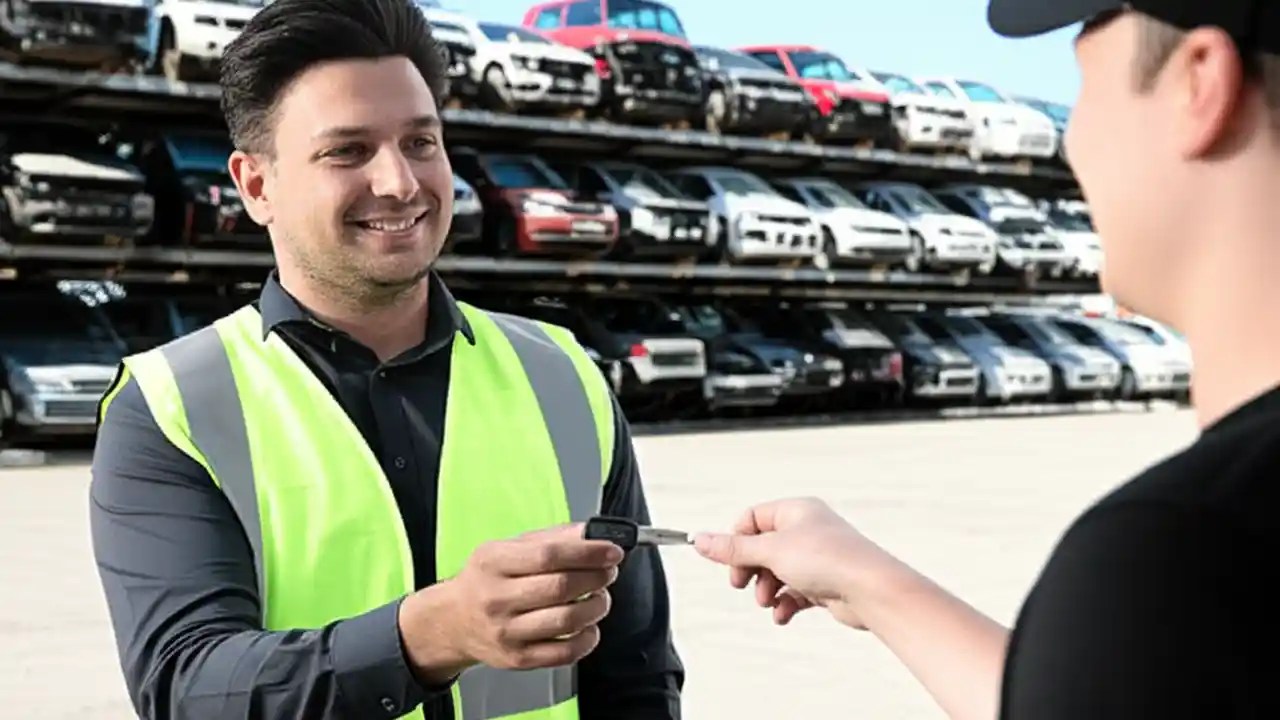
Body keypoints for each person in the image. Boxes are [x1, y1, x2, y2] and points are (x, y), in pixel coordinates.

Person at [87, 0, 683, 718]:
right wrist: (430, 636)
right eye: (348, 150)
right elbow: (186, 688)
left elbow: (636, 676)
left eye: (421, 142)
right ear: (255, 186)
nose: (400, 182)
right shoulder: (171, 407)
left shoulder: (562, 375)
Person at [694, 1, 1280, 718]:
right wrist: (870, 583)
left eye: (1084, 84)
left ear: (1200, 82)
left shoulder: (1182, 556)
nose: (1073, 143)